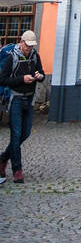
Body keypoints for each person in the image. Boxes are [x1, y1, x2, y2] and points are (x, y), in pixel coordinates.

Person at [0, 31, 45, 184]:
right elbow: (3, 80)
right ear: (21, 42)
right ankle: (17, 171)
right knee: (16, 134)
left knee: (25, 133)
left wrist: (40, 76)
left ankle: (3, 158)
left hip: (30, 99)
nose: (29, 49)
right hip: (16, 99)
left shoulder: (35, 56)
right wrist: (21, 79)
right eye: (27, 46)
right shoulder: (11, 57)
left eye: (32, 46)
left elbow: (42, 73)